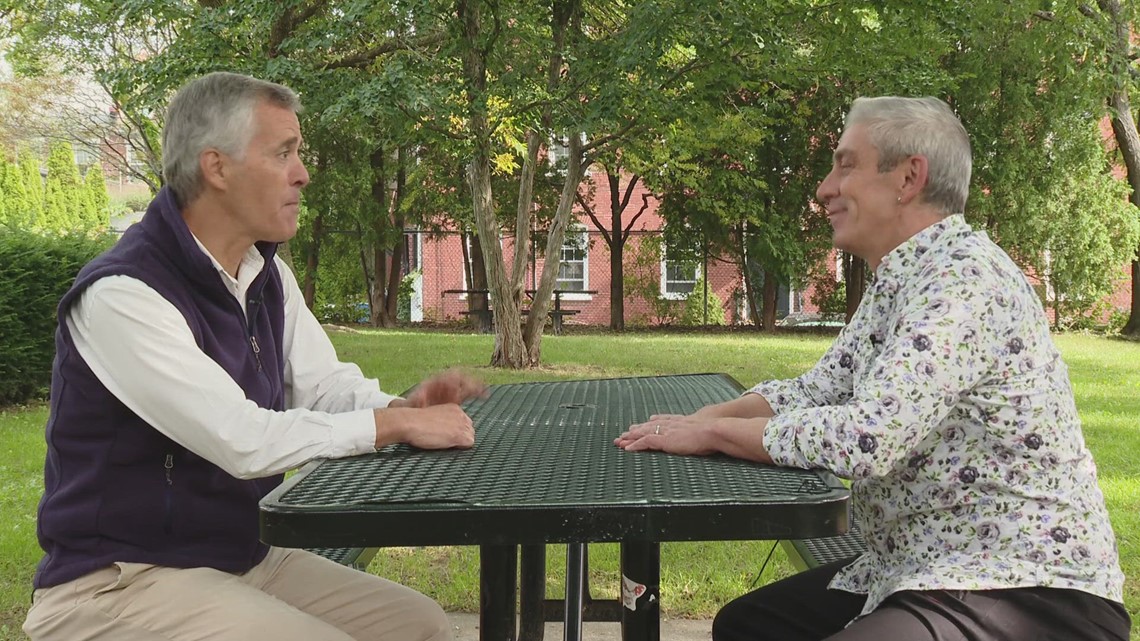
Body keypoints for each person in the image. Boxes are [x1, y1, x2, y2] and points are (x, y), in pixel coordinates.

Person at [615, 96, 1130, 641]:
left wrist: (717, 432)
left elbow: (868, 436)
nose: (824, 189)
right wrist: (697, 419)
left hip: (1025, 587)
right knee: (747, 626)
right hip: (919, 569)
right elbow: (817, 390)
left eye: (846, 164)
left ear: (909, 177)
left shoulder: (964, 283)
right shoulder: (902, 278)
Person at [23, 71, 485, 641]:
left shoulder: (266, 274)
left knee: (421, 627)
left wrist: (400, 405)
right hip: (119, 582)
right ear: (217, 167)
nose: (303, 173)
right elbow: (242, 440)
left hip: (241, 557)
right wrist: (392, 424)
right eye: (283, 153)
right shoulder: (124, 295)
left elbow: (322, 386)